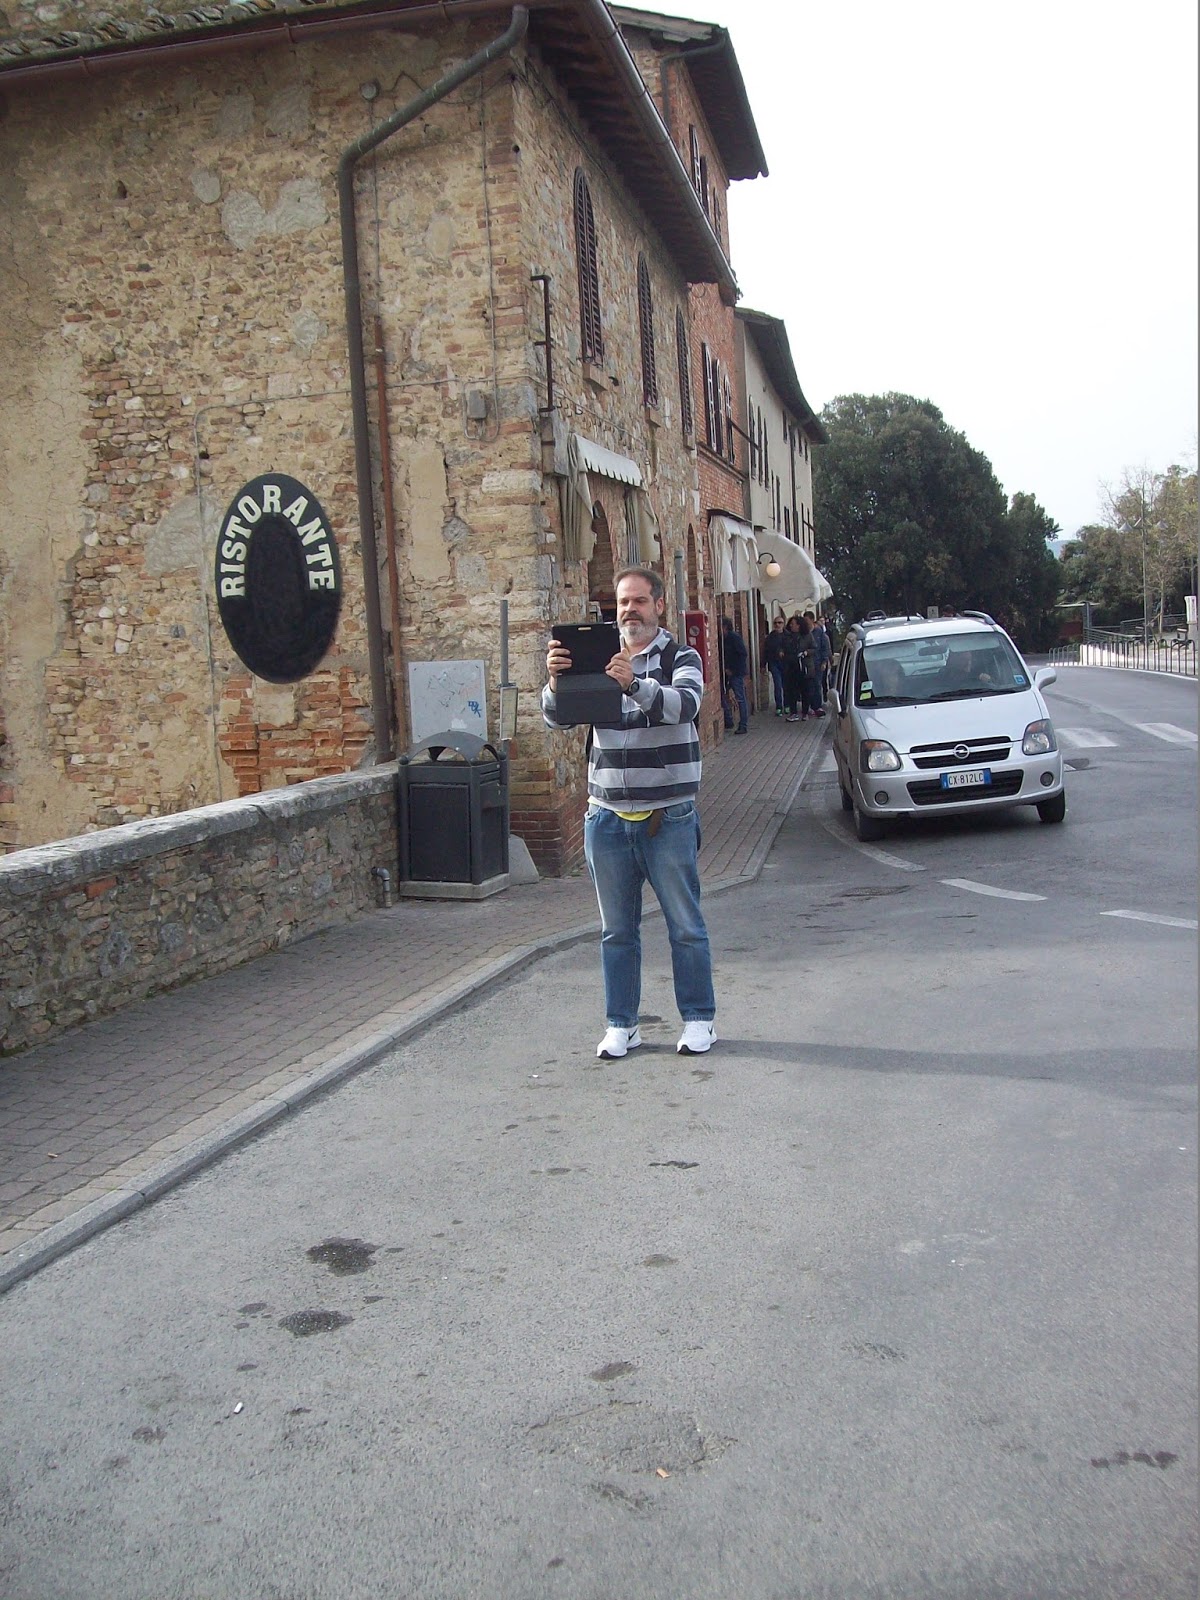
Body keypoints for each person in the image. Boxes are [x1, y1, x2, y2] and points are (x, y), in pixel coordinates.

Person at [543, 566, 716, 1060]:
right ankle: (622, 1024)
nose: (629, 611)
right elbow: (558, 719)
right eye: (622, 603)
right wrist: (557, 683)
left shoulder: (681, 657)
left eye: (639, 601)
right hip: (606, 817)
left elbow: (684, 706)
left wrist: (632, 686)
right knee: (617, 930)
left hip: (669, 816)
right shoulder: (598, 657)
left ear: (658, 605)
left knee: (684, 924)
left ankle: (700, 1019)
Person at [719, 616, 749, 735]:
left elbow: (743, 654)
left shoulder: (733, 638)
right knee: (723, 694)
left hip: (736, 672)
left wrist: (732, 669)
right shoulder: (723, 639)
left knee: (740, 697)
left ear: (725, 627)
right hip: (727, 672)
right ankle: (729, 719)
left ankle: (743, 724)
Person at [763, 615, 789, 716]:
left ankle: (787, 705)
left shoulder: (788, 635)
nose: (777, 625)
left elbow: (791, 649)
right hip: (774, 663)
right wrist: (763, 664)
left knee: (786, 686)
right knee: (777, 685)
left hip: (786, 664)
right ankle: (779, 706)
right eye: (776, 623)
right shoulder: (770, 637)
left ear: (783, 624)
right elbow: (766, 651)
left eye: (780, 622)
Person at [807, 611, 832, 707]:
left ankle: (817, 706)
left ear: (812, 620)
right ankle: (811, 705)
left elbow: (824, 647)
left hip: (818, 662)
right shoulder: (805, 633)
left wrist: (825, 661)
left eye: (807, 620)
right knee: (810, 685)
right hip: (808, 664)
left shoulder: (819, 633)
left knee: (817, 684)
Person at [781, 615, 804, 721]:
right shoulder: (787, 637)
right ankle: (793, 712)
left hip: (800, 666)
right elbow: (783, 647)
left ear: (799, 626)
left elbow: (812, 647)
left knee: (803, 690)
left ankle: (804, 711)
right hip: (789, 667)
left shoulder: (803, 636)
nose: (791, 625)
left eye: (793, 624)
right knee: (791, 690)